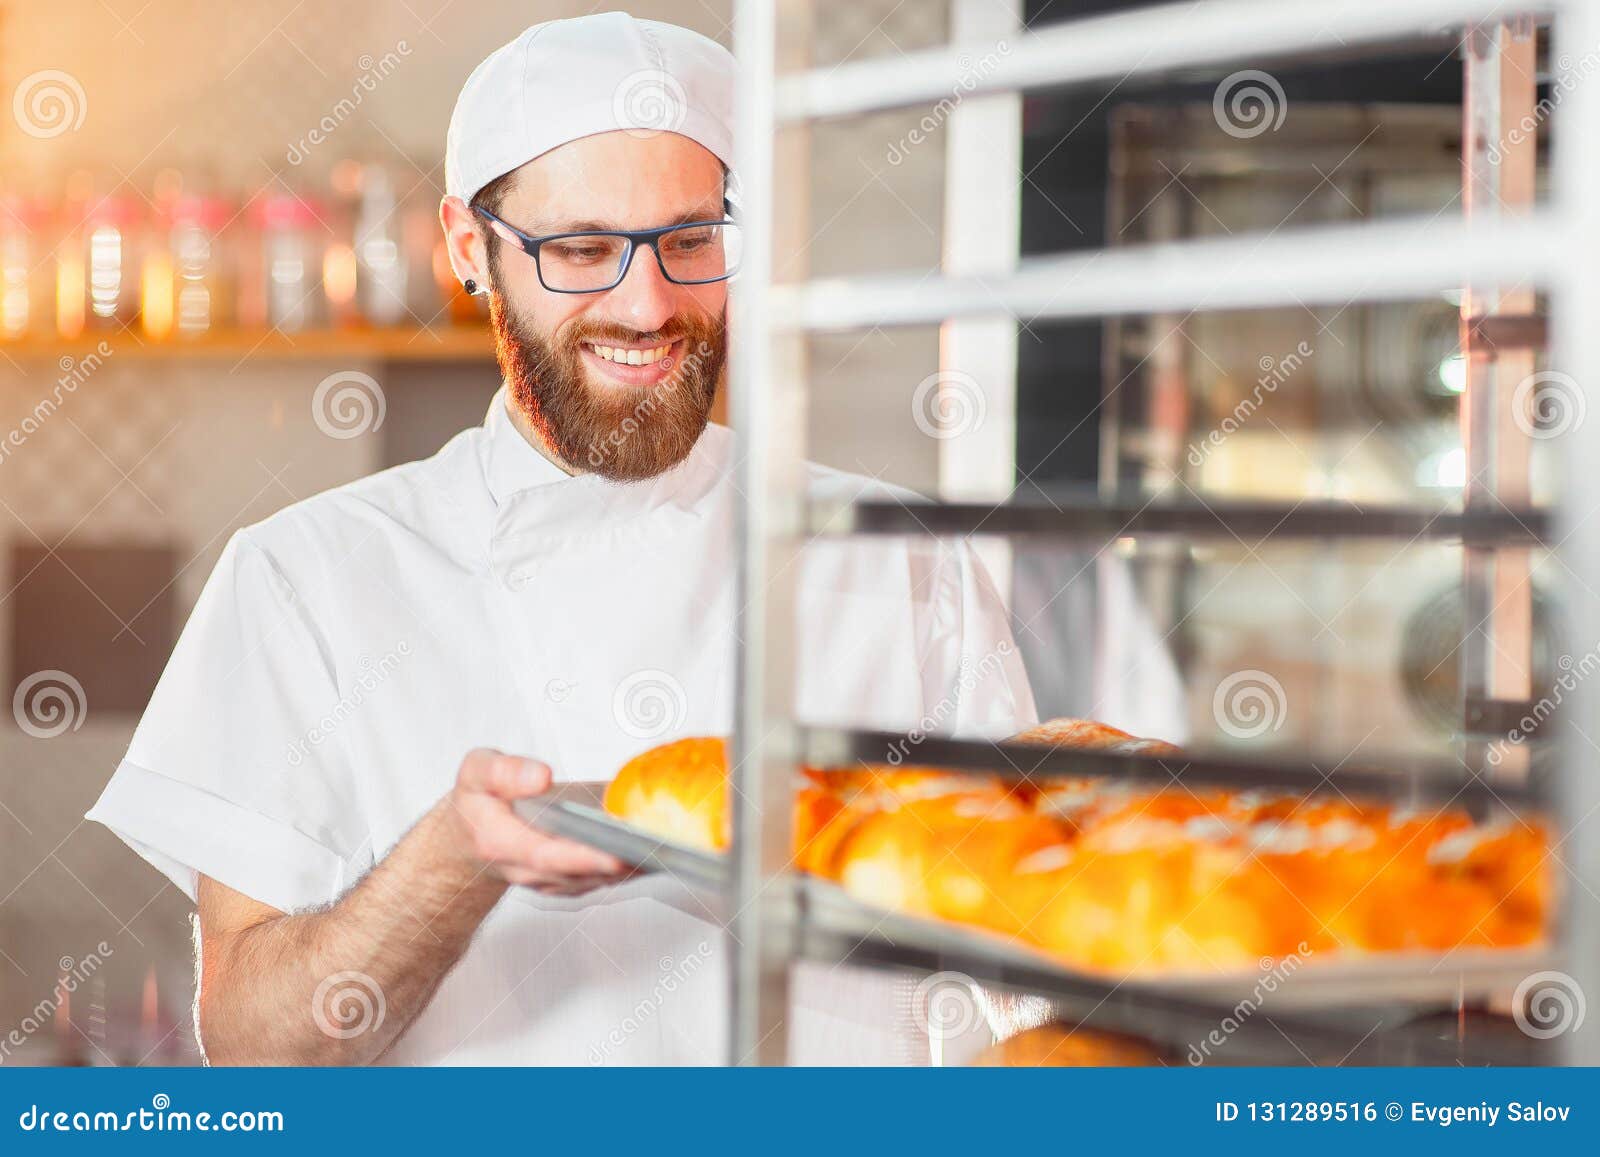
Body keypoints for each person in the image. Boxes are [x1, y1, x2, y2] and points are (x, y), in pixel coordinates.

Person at [86, 12, 1036, 1065]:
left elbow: (1030, 961)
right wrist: (452, 860)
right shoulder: (304, 578)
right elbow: (252, 1044)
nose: (647, 304)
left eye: (690, 242)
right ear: (469, 247)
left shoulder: (903, 558)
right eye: (581, 250)